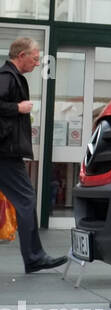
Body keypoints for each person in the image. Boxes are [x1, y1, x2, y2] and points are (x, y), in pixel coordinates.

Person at [0, 38, 66, 274]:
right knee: (26, 200)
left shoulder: (11, 77)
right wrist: (18, 108)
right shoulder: (7, 77)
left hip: (6, 152)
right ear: (21, 56)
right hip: (5, 154)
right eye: (35, 58)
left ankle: (34, 257)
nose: (38, 63)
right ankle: (34, 257)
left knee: (25, 200)